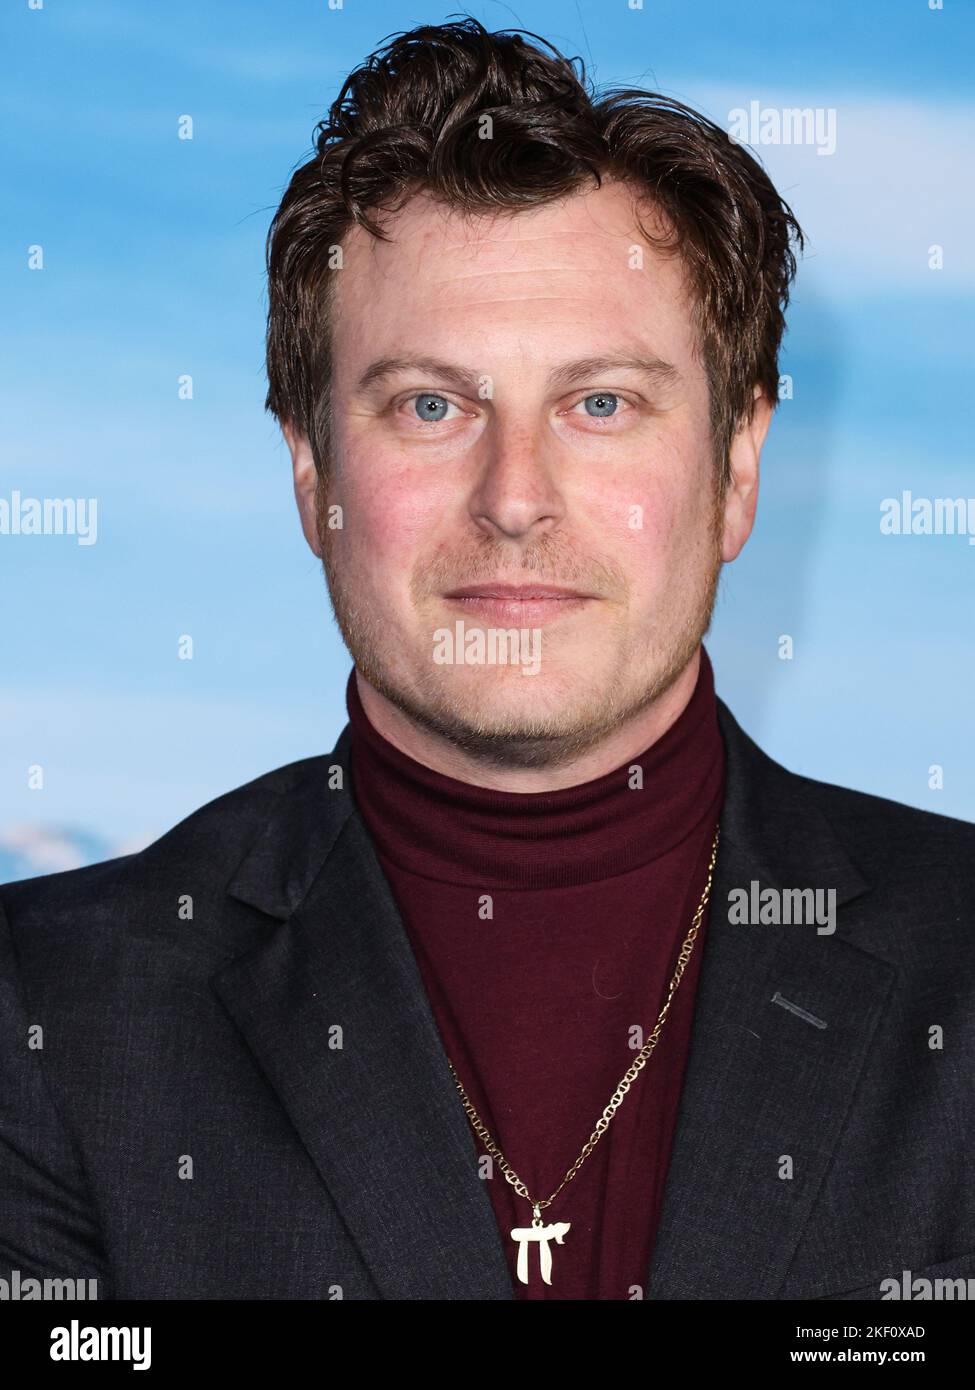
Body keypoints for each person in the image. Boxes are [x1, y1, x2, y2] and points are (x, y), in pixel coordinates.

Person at [2, 18, 973, 1303]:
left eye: (602, 404)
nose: (516, 497)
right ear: (311, 473)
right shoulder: (51, 1021)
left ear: (738, 466)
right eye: (430, 406)